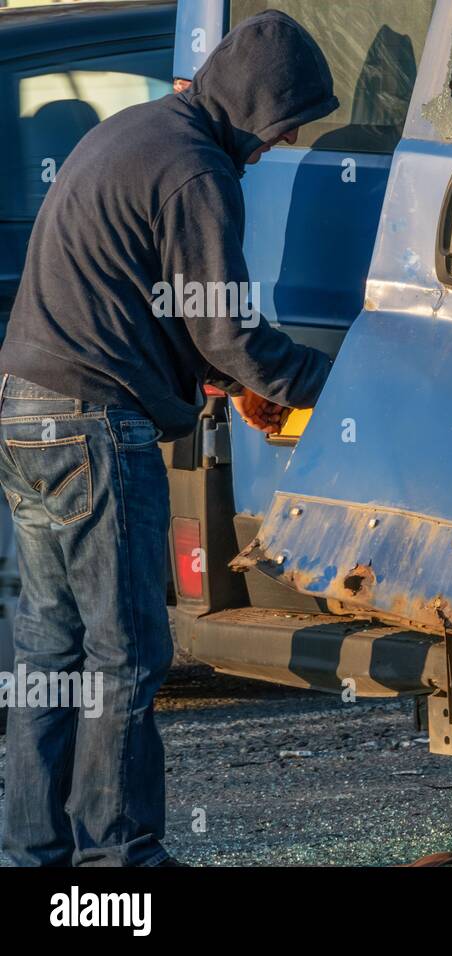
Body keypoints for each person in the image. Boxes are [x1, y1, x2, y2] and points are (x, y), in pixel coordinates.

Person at [0, 11, 338, 867]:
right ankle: (121, 863)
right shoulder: (197, 172)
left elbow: (151, 305)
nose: (283, 142)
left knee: (49, 651)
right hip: (92, 427)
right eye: (286, 122)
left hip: (22, 408)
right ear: (258, 106)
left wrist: (225, 384)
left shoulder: (137, 130)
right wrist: (324, 383)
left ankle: (31, 856)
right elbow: (225, 330)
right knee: (126, 654)